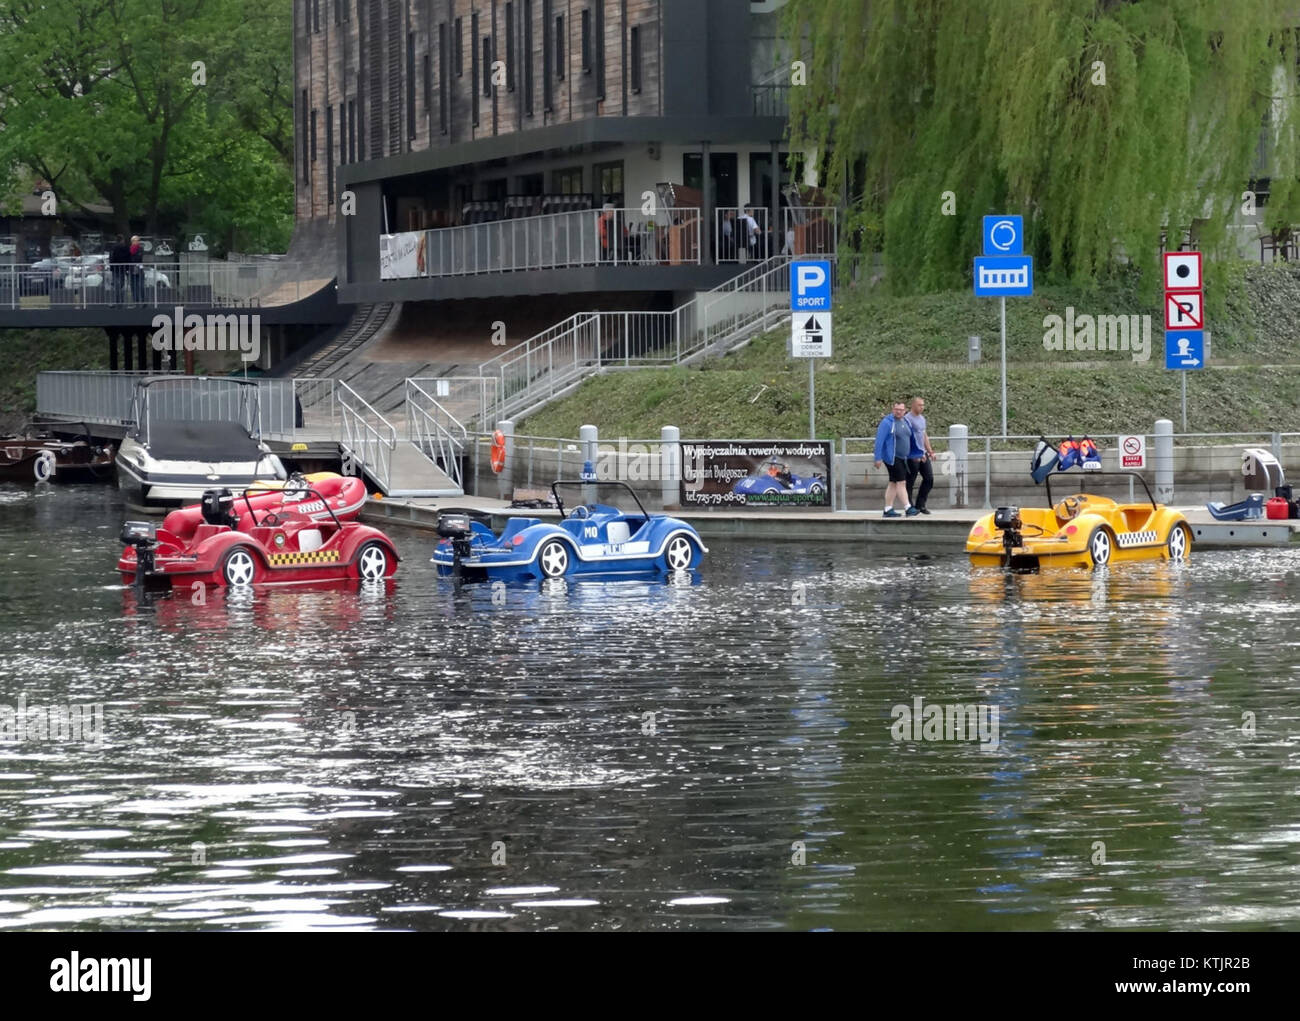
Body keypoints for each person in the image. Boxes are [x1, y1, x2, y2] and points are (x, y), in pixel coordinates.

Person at [874, 401, 919, 517]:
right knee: (901, 482)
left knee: (893, 482)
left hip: (903, 457)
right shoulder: (887, 423)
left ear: (905, 411)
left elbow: (911, 439)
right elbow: (879, 441)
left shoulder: (906, 421)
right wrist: (878, 458)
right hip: (892, 457)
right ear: (892, 410)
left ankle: (888, 509)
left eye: (901, 410)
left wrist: (916, 454)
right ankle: (908, 507)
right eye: (896, 409)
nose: (898, 412)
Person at [905, 396, 936, 514]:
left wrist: (930, 451)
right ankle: (910, 506)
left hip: (923, 453)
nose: (922, 407)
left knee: (929, 479)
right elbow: (907, 438)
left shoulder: (922, 419)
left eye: (923, 405)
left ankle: (920, 504)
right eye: (919, 405)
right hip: (912, 455)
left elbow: (924, 435)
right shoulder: (907, 419)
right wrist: (913, 453)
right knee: (910, 482)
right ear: (913, 405)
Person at [108, 234, 130, 305]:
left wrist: (111, 267)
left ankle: (116, 301)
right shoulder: (125, 247)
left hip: (115, 268)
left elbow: (111, 258)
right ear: (122, 240)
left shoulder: (113, 247)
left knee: (116, 284)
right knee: (121, 284)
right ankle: (121, 300)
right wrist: (127, 268)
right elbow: (127, 258)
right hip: (122, 268)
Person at [128, 235, 143, 303]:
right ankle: (135, 299)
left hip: (138, 268)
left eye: (138, 240)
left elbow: (138, 258)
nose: (138, 242)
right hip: (132, 268)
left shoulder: (140, 248)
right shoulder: (129, 248)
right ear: (132, 241)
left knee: (140, 285)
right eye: (137, 240)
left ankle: (142, 300)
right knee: (133, 285)